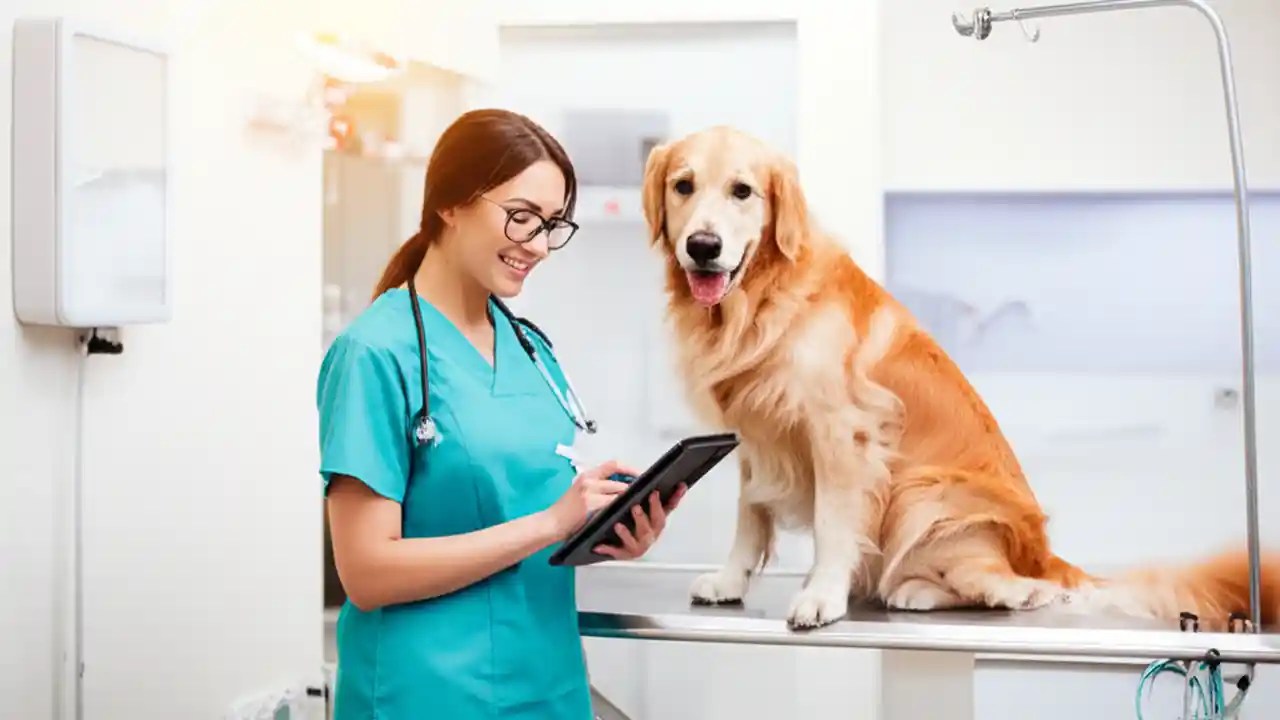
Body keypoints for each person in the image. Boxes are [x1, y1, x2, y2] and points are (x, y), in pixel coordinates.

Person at [316, 108, 686, 719]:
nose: (538, 245)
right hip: (428, 695)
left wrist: (607, 530)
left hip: (548, 684)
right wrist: (550, 523)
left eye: (552, 225)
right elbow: (367, 571)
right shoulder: (375, 354)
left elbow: (522, 524)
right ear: (451, 204)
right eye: (522, 217)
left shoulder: (530, 349)